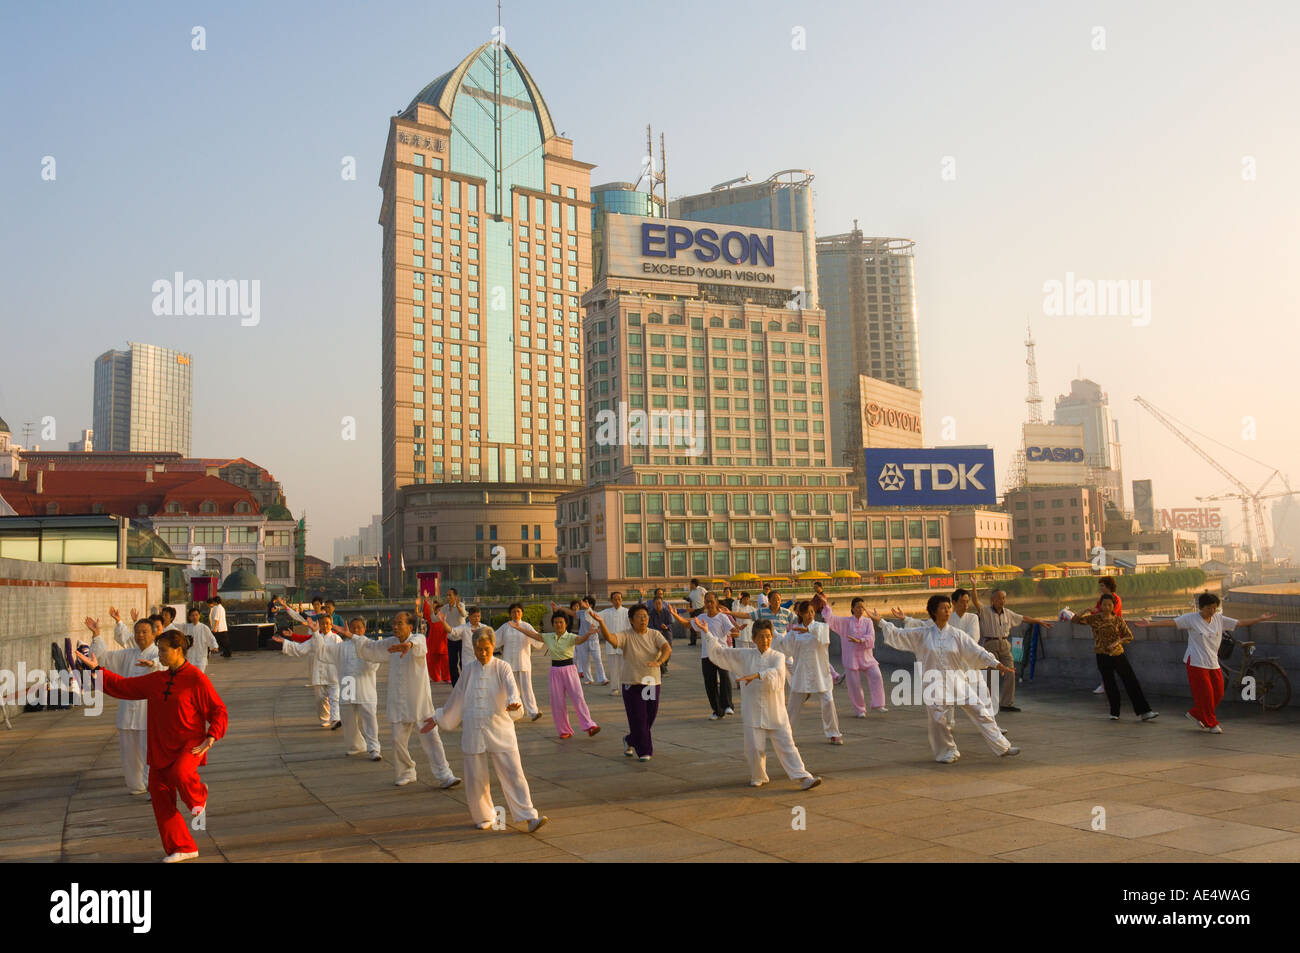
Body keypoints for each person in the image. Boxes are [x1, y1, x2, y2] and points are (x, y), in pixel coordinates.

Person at [76, 630, 228, 863]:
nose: (160, 655)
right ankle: (183, 846)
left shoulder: (196, 678)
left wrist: (212, 735)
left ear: (178, 650)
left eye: (164, 650)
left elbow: (218, 710)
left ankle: (199, 795)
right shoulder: (157, 679)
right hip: (160, 747)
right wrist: (97, 670)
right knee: (160, 798)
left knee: (181, 773)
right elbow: (124, 687)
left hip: (190, 744)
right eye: (160, 650)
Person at [423, 629, 547, 833]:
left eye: (487, 649)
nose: (483, 653)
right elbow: (457, 698)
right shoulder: (469, 670)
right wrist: (439, 717)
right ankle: (484, 816)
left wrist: (514, 703)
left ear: (493, 646)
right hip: (474, 727)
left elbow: (511, 690)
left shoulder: (502, 667)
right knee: (475, 777)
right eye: (479, 649)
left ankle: (529, 815)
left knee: (514, 773)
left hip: (500, 727)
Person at [867, 597, 1020, 764]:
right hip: (934, 685)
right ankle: (947, 751)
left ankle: (1003, 747)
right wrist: (881, 622)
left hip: (958, 682)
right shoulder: (923, 633)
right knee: (939, 722)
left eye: (948, 607)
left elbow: (977, 651)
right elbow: (899, 634)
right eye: (943, 608)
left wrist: (997, 664)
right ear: (933, 611)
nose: (947, 611)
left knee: (981, 712)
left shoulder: (957, 635)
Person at [701, 620, 822, 790]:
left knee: (787, 745)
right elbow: (721, 653)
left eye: (768, 636)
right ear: (753, 638)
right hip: (753, 710)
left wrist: (757, 675)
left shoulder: (777, 656)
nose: (765, 640)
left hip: (775, 710)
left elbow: (777, 673)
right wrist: (707, 633)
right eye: (761, 637)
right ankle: (758, 775)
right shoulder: (745, 655)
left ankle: (803, 776)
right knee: (754, 748)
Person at [1134, 593, 1275, 733]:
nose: (1212, 611)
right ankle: (1211, 723)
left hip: (1213, 662)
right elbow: (1172, 622)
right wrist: (1149, 625)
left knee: (1218, 693)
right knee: (1206, 694)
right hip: (1196, 661)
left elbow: (1239, 623)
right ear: (1201, 607)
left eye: (1214, 608)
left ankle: (1196, 713)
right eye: (1209, 608)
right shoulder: (1191, 619)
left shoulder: (1219, 619)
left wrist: (1259, 619)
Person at [353, 611, 461, 788]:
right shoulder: (391, 643)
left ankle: (445, 775)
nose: (395, 626)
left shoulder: (418, 638)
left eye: (400, 623)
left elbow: (420, 645)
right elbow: (371, 649)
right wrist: (354, 637)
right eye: (394, 623)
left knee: (431, 739)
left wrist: (409, 645)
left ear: (410, 627)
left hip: (419, 701)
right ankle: (406, 771)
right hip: (398, 701)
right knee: (397, 740)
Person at [278, 616, 383, 759]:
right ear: (348, 629)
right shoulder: (341, 646)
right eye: (353, 627)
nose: (356, 630)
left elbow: (375, 663)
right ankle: (356, 745)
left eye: (359, 627)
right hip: (347, 683)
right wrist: (315, 633)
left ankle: (374, 748)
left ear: (365, 629)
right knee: (348, 718)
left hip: (365, 685)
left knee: (369, 717)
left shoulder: (370, 645)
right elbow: (322, 652)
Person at [82, 615, 159, 794]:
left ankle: (152, 788)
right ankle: (136, 786)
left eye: (145, 632)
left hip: (148, 714)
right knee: (129, 755)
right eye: (137, 632)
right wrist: (97, 635)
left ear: (153, 634)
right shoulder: (128, 654)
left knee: (150, 754)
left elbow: (166, 665)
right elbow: (103, 659)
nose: (140, 635)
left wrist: (153, 664)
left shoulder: (158, 654)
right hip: (127, 713)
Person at [589, 604, 671, 761]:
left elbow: (667, 648)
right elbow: (612, 640)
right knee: (638, 718)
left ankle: (630, 740)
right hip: (631, 682)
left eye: (645, 616)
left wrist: (660, 661)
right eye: (639, 616)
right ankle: (645, 751)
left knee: (649, 718)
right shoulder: (625, 635)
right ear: (631, 620)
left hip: (651, 681)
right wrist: (602, 623)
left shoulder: (654, 634)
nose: (643, 619)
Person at [1072, 594, 1159, 723]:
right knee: (1109, 683)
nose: (1107, 607)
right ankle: (1114, 712)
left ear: (1113, 606)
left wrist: (1118, 642)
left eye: (1109, 604)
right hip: (1102, 654)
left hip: (1118, 654)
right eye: (1104, 604)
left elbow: (1129, 636)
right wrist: (1086, 610)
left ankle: (1144, 711)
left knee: (1131, 681)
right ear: (1100, 605)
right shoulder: (1094, 619)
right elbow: (1075, 620)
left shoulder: (1118, 620)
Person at [970, 587, 1055, 713]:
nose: (1002, 600)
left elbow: (1023, 618)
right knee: (990, 675)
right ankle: (988, 702)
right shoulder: (985, 611)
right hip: (990, 643)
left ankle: (1007, 703)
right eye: (999, 598)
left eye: (1004, 598)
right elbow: (975, 600)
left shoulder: (1008, 613)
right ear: (992, 600)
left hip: (1004, 643)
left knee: (1011, 671)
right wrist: (974, 586)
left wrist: (1039, 621)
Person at [522, 610, 600, 739]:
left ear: (566, 624)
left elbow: (580, 640)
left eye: (561, 622)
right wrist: (519, 628)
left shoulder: (570, 637)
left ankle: (589, 725)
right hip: (555, 671)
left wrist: (588, 634)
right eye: (556, 622)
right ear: (553, 624)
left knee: (578, 698)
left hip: (569, 670)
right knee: (557, 702)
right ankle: (564, 730)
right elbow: (535, 635)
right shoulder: (549, 637)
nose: (558, 624)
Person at [777, 600, 843, 744]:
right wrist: (772, 634)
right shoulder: (794, 631)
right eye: (807, 612)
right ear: (800, 613)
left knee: (828, 701)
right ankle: (785, 734)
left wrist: (808, 630)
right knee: (793, 706)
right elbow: (784, 648)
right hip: (801, 672)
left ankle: (833, 732)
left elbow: (824, 638)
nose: (811, 615)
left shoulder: (821, 627)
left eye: (812, 611)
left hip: (820, 672)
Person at [669, 593, 735, 720]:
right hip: (707, 654)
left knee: (724, 678)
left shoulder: (722, 617)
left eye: (711, 601)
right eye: (706, 602)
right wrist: (675, 614)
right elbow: (687, 624)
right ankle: (717, 711)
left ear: (716, 602)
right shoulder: (702, 617)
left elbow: (732, 632)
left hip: (721, 652)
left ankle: (727, 705)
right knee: (710, 683)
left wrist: (738, 633)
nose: (709, 604)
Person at [276, 603, 342, 729]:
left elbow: (343, 654)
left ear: (331, 624)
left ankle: (336, 719)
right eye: (323, 623)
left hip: (334, 672)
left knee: (335, 697)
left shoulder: (336, 638)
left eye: (328, 623)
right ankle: (325, 719)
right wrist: (285, 642)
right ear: (319, 625)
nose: (325, 626)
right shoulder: (314, 639)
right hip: (319, 672)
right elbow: (300, 649)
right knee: (321, 699)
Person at [820, 596, 887, 717]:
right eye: (858, 607)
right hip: (851, 658)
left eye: (862, 607)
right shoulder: (845, 622)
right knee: (854, 686)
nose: (861, 609)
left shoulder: (868, 622)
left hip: (867, 657)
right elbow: (831, 620)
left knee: (876, 675)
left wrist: (860, 640)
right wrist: (826, 605)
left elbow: (871, 637)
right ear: (852, 608)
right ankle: (860, 710)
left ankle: (878, 704)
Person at [496, 603, 543, 721]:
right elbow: (495, 640)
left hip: (523, 663)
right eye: (513, 612)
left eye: (518, 611)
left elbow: (538, 640)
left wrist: (544, 636)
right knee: (510, 690)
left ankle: (533, 712)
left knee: (527, 689)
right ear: (510, 613)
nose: (516, 614)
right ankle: (512, 714)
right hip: (509, 664)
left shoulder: (526, 626)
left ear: (522, 613)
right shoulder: (505, 627)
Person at [1091, 577, 1122, 693]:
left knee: (1112, 660)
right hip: (1103, 632)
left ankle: (1105, 685)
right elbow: (1097, 611)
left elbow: (1110, 613)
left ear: (1108, 586)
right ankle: (1105, 684)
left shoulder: (1116, 599)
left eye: (1102, 586)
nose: (1100, 588)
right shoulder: (1101, 599)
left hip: (1114, 632)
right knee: (1105, 661)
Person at [598, 592, 630, 695]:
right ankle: (614, 688)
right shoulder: (606, 612)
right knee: (613, 669)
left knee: (624, 668)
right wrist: (588, 609)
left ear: (622, 600)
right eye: (615, 599)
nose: (617, 601)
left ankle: (625, 688)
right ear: (611, 600)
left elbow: (632, 625)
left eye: (619, 599)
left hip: (624, 644)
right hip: (611, 645)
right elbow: (595, 617)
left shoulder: (627, 612)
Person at [419, 594, 451, 684]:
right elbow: (426, 613)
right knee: (432, 662)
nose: (440, 612)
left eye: (442, 610)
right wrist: (426, 600)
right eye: (439, 610)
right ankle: (435, 677)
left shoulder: (447, 620)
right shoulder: (433, 619)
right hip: (433, 644)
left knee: (446, 662)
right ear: (436, 611)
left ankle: (447, 677)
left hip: (444, 644)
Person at [182, 606, 220, 672]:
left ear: (199, 616)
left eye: (196, 615)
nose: (194, 617)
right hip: (189, 656)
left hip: (201, 656)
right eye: (192, 615)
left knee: (200, 674)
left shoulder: (204, 628)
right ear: (189, 617)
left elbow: (211, 638)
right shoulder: (186, 627)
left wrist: (214, 646)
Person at [647, 590, 675, 676]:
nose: (658, 605)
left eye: (659, 603)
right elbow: (650, 625)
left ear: (662, 603)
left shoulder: (666, 612)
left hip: (666, 633)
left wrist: (666, 627)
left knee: (668, 651)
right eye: (656, 604)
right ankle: (663, 669)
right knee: (658, 652)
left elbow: (671, 622)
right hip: (656, 635)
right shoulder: (651, 613)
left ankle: (664, 664)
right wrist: (656, 630)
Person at [442, 589, 467, 684]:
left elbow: (464, 614)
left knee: (462, 662)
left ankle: (465, 682)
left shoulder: (461, 605)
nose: (448, 597)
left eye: (450, 595)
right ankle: (456, 684)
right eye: (447, 595)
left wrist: (458, 607)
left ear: (456, 596)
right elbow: (435, 618)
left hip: (461, 639)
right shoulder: (445, 608)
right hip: (451, 638)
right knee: (452, 663)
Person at [685, 578, 707, 643]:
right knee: (692, 625)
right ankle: (693, 641)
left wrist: (705, 605)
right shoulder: (692, 591)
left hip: (700, 610)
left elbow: (708, 595)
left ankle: (704, 640)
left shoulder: (701, 589)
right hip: (693, 610)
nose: (690, 585)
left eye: (691, 584)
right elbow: (691, 600)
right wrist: (687, 599)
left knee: (701, 625)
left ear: (694, 584)